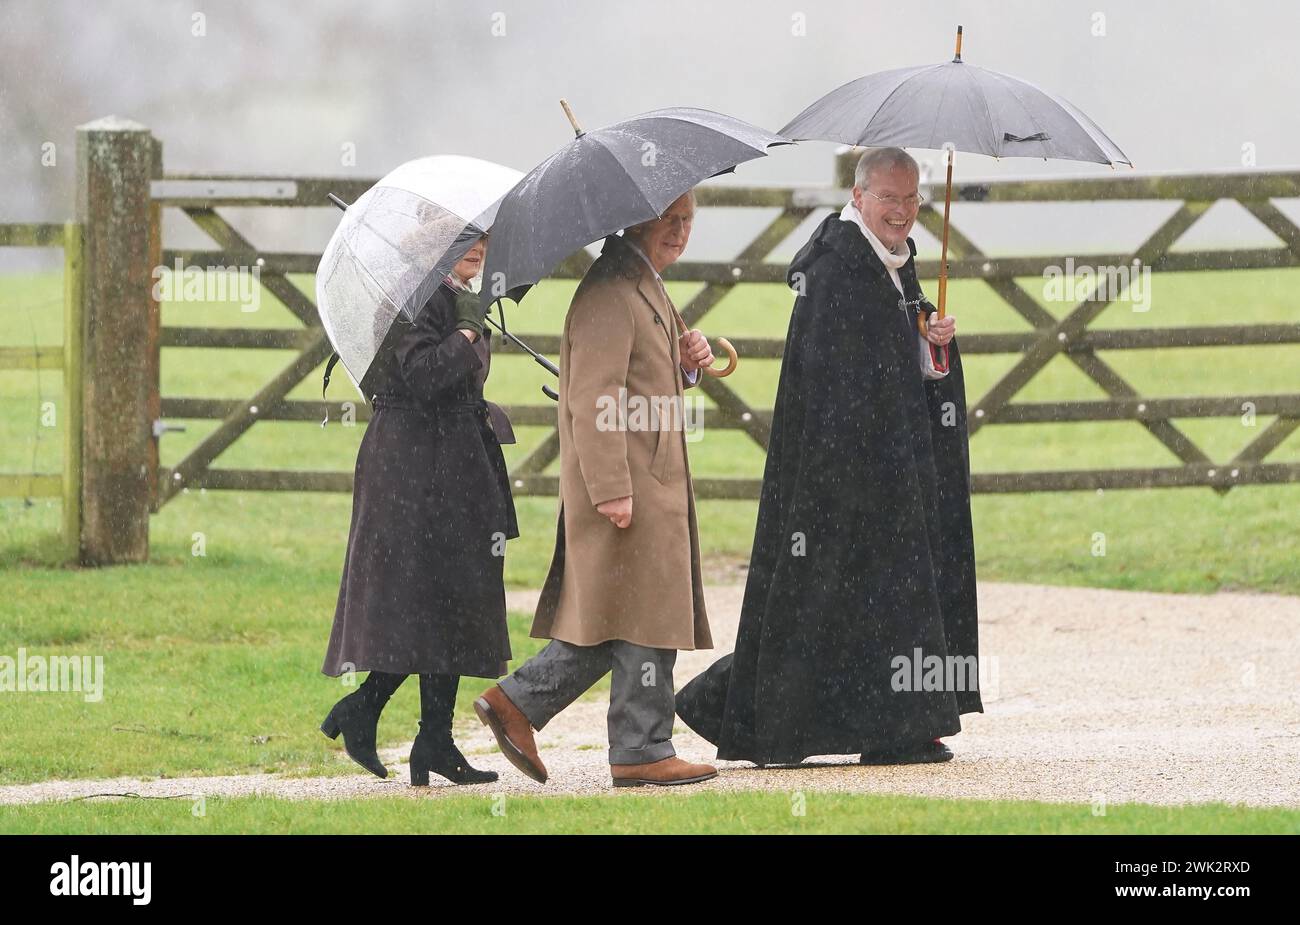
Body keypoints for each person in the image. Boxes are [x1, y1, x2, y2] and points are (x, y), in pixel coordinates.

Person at [675, 148, 983, 766]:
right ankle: (761, 717)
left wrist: (929, 339)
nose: (903, 212)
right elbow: (828, 375)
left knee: (887, 594)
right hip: (842, 469)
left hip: (894, 463)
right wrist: (850, 462)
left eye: (913, 198)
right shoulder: (835, 266)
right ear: (860, 196)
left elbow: (900, 347)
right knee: (824, 597)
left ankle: (901, 725)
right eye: (890, 198)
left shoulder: (896, 263)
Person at [474, 191, 720, 787]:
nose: (680, 232)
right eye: (669, 221)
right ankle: (640, 749)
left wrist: (687, 363)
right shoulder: (612, 292)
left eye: (687, 221)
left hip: (649, 479)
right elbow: (593, 398)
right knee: (642, 615)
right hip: (627, 484)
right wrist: (611, 488)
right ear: (635, 220)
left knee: (625, 614)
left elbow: (642, 381)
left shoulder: (643, 284)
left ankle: (519, 704)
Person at [320, 234, 518, 786]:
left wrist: (469, 320)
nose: (479, 247)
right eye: (463, 239)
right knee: (420, 602)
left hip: (453, 466)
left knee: (451, 600)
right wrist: (467, 329)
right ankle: (369, 710)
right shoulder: (412, 301)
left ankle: (431, 738)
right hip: (414, 470)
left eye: (482, 236)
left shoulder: (456, 295)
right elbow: (427, 378)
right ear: (432, 248)